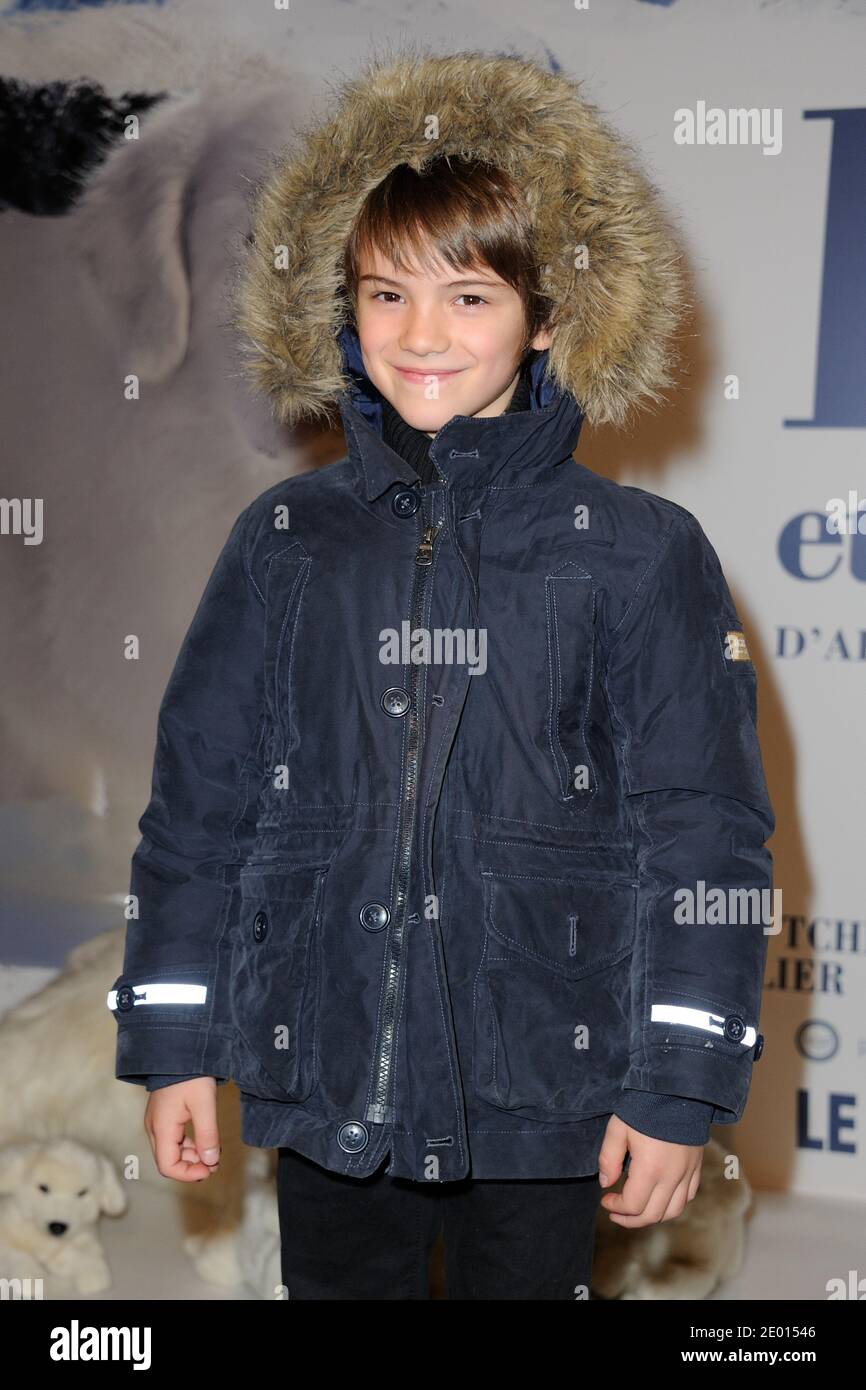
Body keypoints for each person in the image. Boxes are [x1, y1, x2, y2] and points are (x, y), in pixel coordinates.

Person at [109, 49, 775, 1300]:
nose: (420, 336)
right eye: (382, 293)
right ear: (339, 309)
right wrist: (172, 1041)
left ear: (549, 314)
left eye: (468, 296)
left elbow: (705, 840)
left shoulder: (639, 557)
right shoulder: (284, 541)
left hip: (539, 1098)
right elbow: (200, 809)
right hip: (329, 1091)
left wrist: (678, 1084)